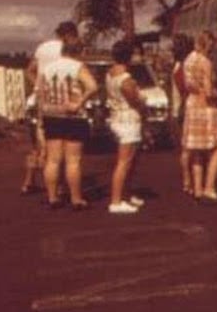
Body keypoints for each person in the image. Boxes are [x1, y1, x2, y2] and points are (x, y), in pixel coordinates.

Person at [36, 38, 97, 211]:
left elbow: (40, 93)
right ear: (78, 51)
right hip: (73, 116)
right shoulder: (77, 67)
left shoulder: (47, 68)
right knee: (73, 160)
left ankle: (52, 197)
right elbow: (92, 86)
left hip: (51, 114)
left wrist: (41, 119)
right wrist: (80, 102)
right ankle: (76, 199)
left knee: (53, 159)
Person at [22, 21, 80, 197]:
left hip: (40, 101)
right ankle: (58, 187)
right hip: (60, 102)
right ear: (70, 35)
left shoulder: (43, 47)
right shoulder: (69, 52)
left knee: (38, 143)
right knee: (60, 147)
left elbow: (29, 71)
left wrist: (39, 88)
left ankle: (28, 182)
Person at [182, 31, 217, 203]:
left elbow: (188, 85)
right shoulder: (205, 62)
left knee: (197, 150)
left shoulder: (189, 60)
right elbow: (208, 91)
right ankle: (209, 187)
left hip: (192, 105)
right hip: (205, 108)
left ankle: (198, 189)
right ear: (208, 44)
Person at [105, 39, 147, 215]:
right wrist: (142, 100)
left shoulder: (110, 73)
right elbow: (135, 101)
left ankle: (126, 195)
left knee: (130, 161)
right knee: (124, 162)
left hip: (118, 118)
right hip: (128, 121)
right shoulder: (126, 79)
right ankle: (116, 201)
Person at [170, 34, 194, 195]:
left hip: (182, 109)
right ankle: (195, 179)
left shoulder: (176, 68)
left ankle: (187, 180)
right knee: (197, 148)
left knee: (186, 148)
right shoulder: (192, 66)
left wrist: (175, 112)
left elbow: (175, 94)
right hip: (194, 107)